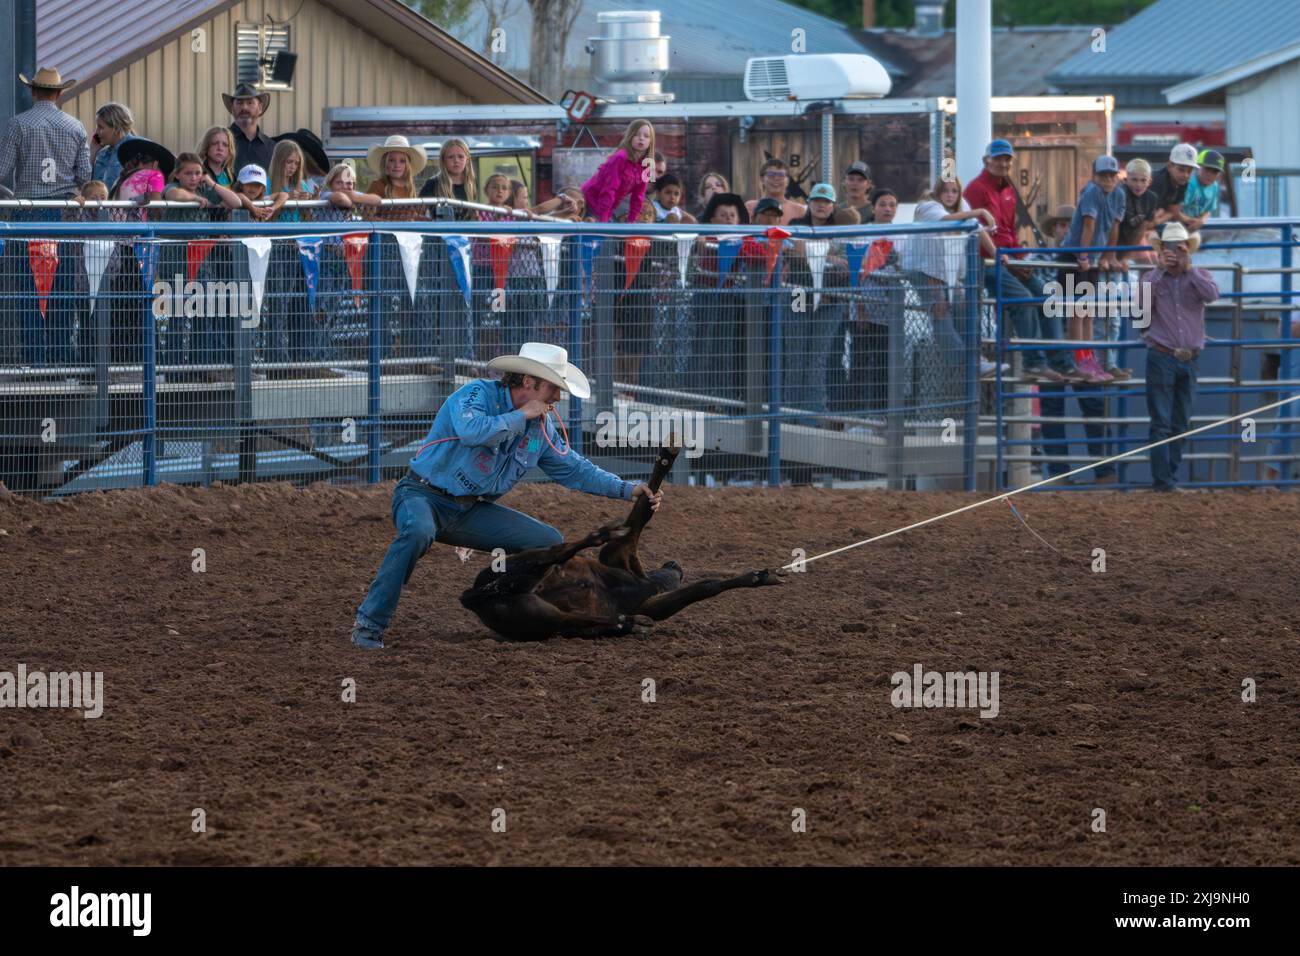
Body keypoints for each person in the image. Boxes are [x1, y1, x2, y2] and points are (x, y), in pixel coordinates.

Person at [350, 343, 663, 649]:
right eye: (553, 388)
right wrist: (523, 414)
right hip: (420, 495)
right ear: (528, 381)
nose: (557, 397)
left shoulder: (540, 427)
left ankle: (510, 604)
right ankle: (370, 623)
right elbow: (472, 432)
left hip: (469, 511)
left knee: (548, 542)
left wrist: (627, 489)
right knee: (417, 532)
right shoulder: (476, 395)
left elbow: (573, 468)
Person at [964, 139, 1076, 384]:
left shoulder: (1006, 189)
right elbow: (979, 233)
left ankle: (1061, 364)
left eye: (1007, 159)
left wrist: (1020, 260)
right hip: (987, 261)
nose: (1004, 163)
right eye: (999, 158)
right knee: (1025, 302)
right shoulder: (976, 189)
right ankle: (1035, 364)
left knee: (1047, 300)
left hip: (1007, 259)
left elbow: (1010, 232)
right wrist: (1014, 259)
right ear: (987, 161)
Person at [1140, 223, 1217, 492]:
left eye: (1179, 247)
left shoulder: (1199, 275)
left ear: (1187, 249)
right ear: (1161, 250)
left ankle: (1167, 479)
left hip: (1187, 358)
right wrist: (1160, 270)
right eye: (1170, 248)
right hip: (1163, 355)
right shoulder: (1151, 277)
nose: (1174, 252)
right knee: (1163, 422)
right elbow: (1139, 313)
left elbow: (1212, 295)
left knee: (1180, 423)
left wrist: (1189, 268)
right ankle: (1164, 482)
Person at [907, 174, 1001, 378]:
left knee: (965, 307)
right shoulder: (928, 206)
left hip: (945, 272)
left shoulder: (962, 207)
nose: (950, 195)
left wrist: (996, 254)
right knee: (940, 312)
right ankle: (967, 365)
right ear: (937, 191)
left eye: (954, 191)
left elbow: (975, 227)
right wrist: (982, 210)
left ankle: (977, 359)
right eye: (945, 190)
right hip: (923, 269)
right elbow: (946, 221)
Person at [1061, 155, 1127, 384]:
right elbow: (1088, 226)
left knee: (1088, 310)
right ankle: (1079, 358)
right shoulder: (1091, 191)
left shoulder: (1119, 194)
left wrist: (1109, 255)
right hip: (1074, 253)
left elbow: (1114, 228)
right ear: (1095, 176)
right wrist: (1084, 255)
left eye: (1112, 175)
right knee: (1077, 310)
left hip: (1093, 255)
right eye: (1103, 176)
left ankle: (1089, 358)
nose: (1108, 179)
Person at [366, 135, 429, 364]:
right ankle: (380, 355)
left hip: (409, 251)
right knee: (381, 300)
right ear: (385, 164)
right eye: (391, 160)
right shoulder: (377, 186)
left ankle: (416, 354)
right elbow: (368, 216)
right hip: (383, 250)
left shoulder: (413, 190)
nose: (396, 165)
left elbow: (417, 217)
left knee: (413, 298)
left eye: (401, 161)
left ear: (408, 164)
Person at [0, 67, 90, 200]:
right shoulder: (76, 126)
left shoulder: (17, 124)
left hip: (28, 205)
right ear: (58, 93)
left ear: (33, 91)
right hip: (65, 206)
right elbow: (84, 175)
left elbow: (2, 169)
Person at [580, 119, 654, 224]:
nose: (641, 138)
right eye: (637, 134)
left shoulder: (648, 163)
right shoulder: (620, 157)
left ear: (651, 141)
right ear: (630, 136)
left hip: (608, 208)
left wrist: (631, 221)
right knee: (598, 236)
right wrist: (604, 219)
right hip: (589, 202)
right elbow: (609, 189)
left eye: (646, 136)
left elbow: (639, 195)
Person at [419, 137, 478, 220]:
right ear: (443, 160)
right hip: (440, 231)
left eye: (460, 156)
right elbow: (418, 214)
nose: (456, 160)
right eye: (450, 157)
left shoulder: (472, 184)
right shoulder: (432, 184)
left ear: (467, 159)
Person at [223, 82, 275, 176]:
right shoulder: (219, 142)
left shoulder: (272, 147)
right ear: (232, 108)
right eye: (239, 103)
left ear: (260, 108)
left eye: (250, 103)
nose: (244, 107)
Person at [1150, 142, 1199, 230]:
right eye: (1181, 169)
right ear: (1169, 166)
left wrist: (1190, 220)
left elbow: (1173, 211)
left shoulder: (1182, 182)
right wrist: (1168, 213)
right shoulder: (1157, 182)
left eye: (1189, 171)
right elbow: (1150, 219)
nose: (1185, 175)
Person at [89, 102, 136, 192]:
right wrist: (93, 151)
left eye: (101, 127)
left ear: (116, 127)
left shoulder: (137, 148)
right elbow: (87, 185)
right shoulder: (102, 154)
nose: (96, 132)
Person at [744, 158, 806, 225]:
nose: (776, 178)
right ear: (762, 179)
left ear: (787, 181)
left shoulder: (799, 210)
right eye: (771, 175)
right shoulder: (750, 206)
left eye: (781, 175)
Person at [1181, 149, 1224, 225]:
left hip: (1195, 225)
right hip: (1176, 224)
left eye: (1215, 171)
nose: (1210, 174)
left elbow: (1207, 210)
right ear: (1197, 168)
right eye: (1207, 169)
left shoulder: (1214, 186)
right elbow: (1174, 211)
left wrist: (1203, 220)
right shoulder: (1188, 182)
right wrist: (1190, 222)